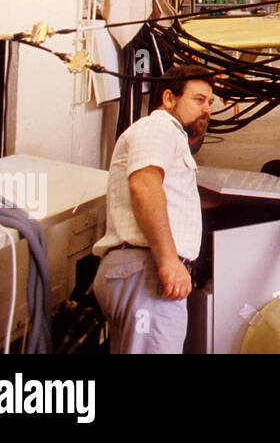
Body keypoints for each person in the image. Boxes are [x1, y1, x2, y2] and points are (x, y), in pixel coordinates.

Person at [92, 64, 213, 353]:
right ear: (169, 98)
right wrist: (170, 262)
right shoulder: (159, 128)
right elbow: (144, 187)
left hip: (139, 272)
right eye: (198, 100)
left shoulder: (169, 137)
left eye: (210, 102)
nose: (207, 109)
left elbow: (169, 196)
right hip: (147, 272)